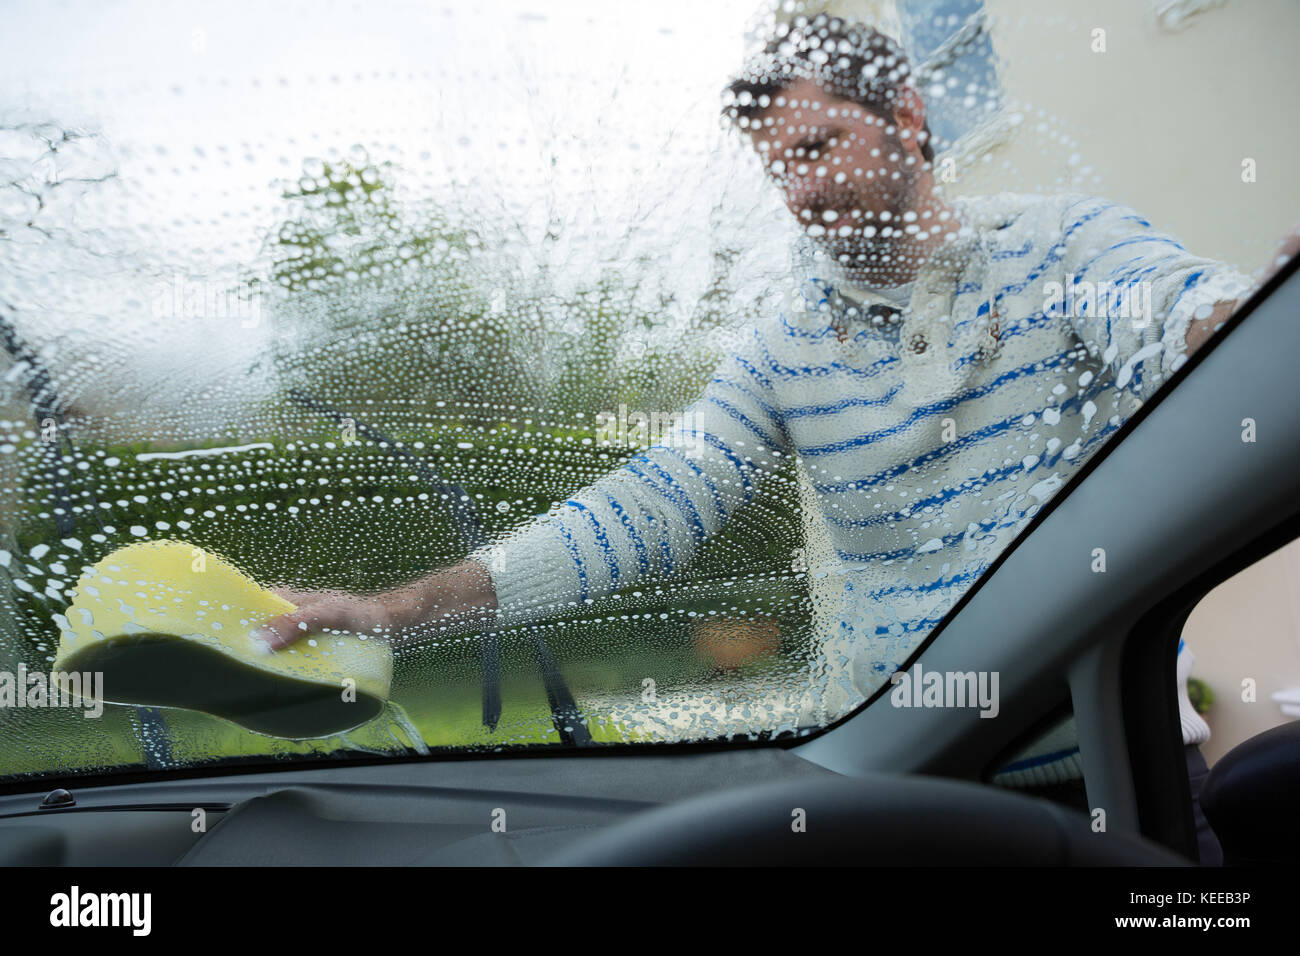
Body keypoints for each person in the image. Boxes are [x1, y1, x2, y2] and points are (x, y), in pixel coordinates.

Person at [257, 15, 1294, 790]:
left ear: (908, 117)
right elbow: (650, 505)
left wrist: (1262, 315)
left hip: (1125, 762)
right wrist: (397, 610)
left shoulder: (1060, 247)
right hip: (920, 781)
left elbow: (1174, 312)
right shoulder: (783, 347)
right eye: (776, 169)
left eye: (815, 148)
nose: (797, 193)